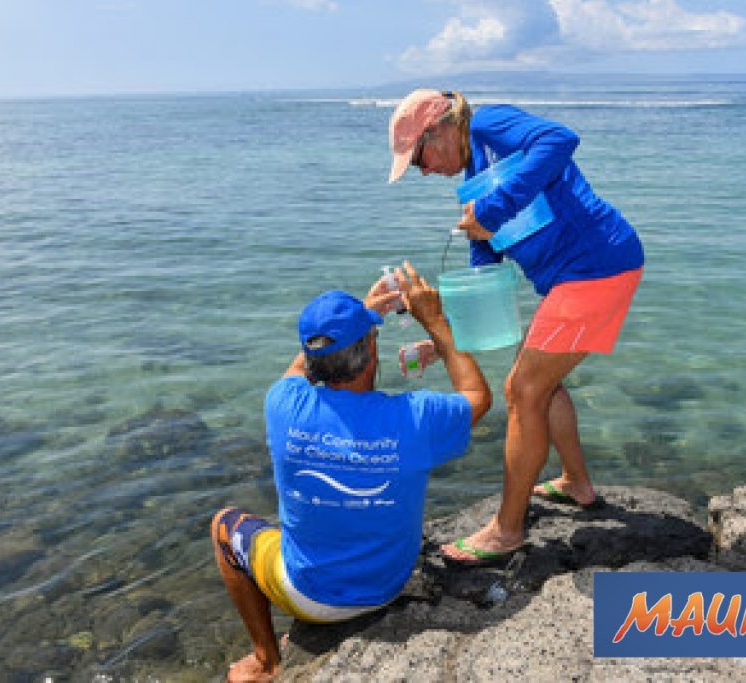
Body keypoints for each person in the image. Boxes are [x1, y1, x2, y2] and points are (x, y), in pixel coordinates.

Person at [387, 89, 645, 565]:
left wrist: (491, 211)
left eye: (419, 157)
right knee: (541, 385)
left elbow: (559, 139)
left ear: (440, 128)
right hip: (574, 279)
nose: (423, 171)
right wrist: (441, 341)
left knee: (522, 390)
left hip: (597, 267)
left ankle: (507, 530)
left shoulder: (488, 126)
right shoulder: (471, 185)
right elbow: (484, 274)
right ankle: (576, 483)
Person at [211, 261, 491, 682]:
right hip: (387, 585)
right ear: (372, 351)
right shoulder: (414, 419)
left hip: (308, 595)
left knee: (224, 526)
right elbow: (477, 395)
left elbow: (300, 367)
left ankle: (266, 661)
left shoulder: (283, 405)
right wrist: (437, 323)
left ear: (313, 358)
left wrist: (362, 316)